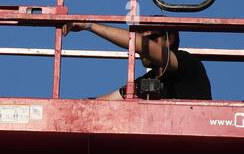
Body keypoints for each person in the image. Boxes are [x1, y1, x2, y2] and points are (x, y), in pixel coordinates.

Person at [69, 23, 211, 100]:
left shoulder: (187, 63)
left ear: (169, 39)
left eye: (151, 38)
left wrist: (89, 26)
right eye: (141, 38)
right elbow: (102, 103)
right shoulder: (146, 81)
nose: (140, 48)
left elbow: (138, 44)